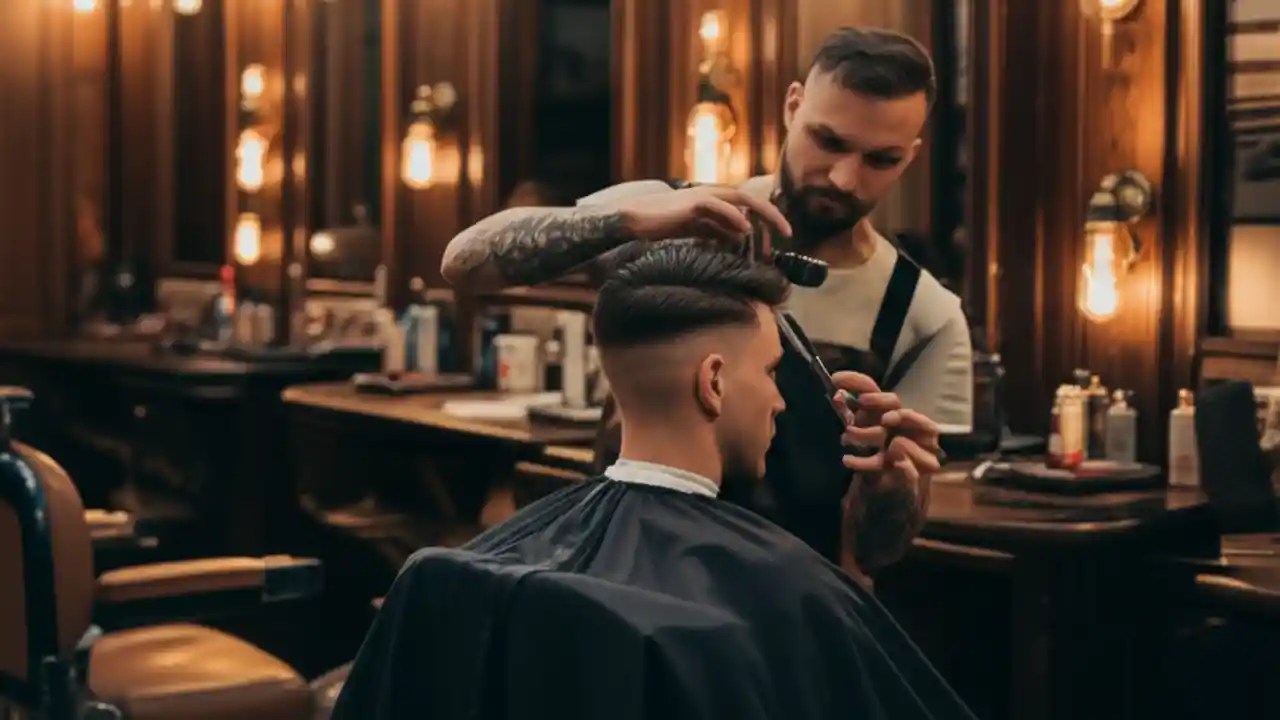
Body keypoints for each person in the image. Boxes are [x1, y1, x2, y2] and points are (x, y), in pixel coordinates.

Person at [332, 246, 971, 720]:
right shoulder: (774, 605)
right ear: (713, 382)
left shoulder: (455, 570)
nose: (779, 400)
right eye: (773, 373)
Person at [440, 27, 968, 576]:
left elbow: (879, 550)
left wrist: (890, 485)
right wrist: (633, 219)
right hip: (623, 581)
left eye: (879, 160)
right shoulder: (678, 212)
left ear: (910, 157)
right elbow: (464, 262)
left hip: (781, 614)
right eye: (828, 141)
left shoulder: (922, 315)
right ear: (792, 106)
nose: (843, 177)